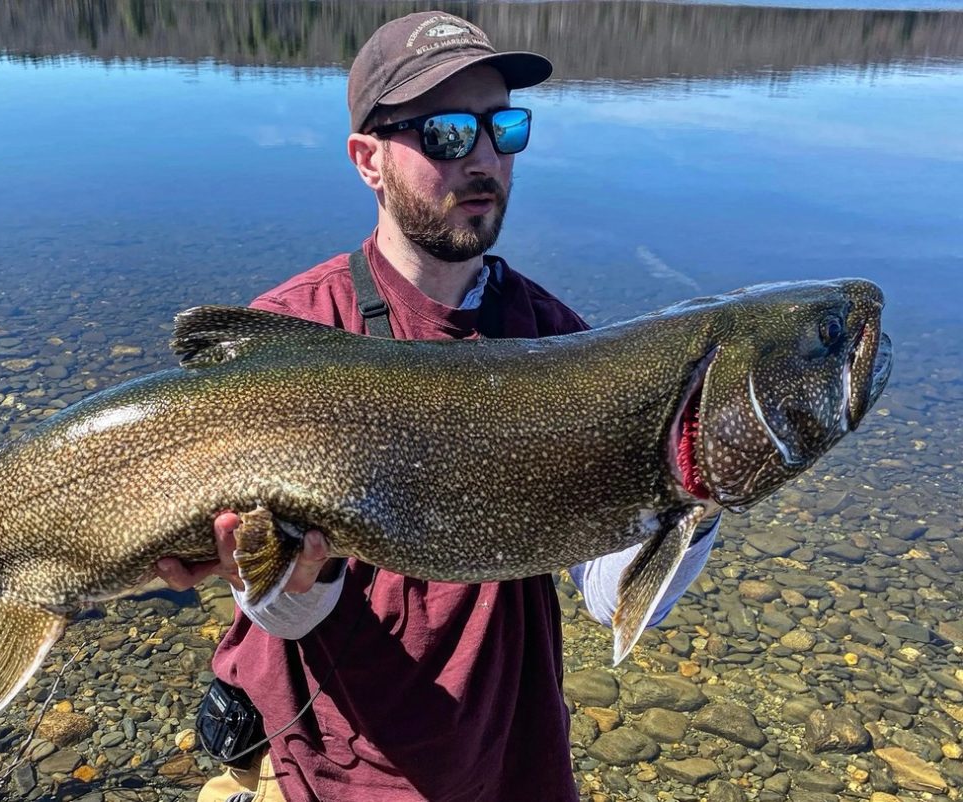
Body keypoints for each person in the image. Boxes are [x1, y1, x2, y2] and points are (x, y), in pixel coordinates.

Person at [156, 11, 719, 802]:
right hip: (341, 761)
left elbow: (608, 594)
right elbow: (273, 613)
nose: (483, 158)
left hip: (506, 752)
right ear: (369, 160)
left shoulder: (557, 341)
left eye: (503, 127)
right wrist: (286, 581)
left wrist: (698, 483)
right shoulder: (294, 339)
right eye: (448, 133)